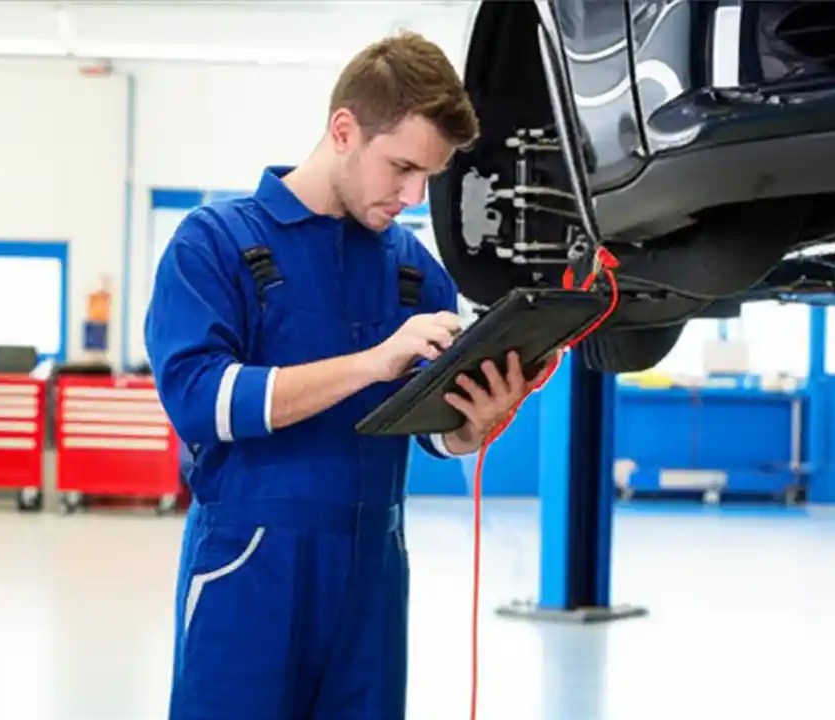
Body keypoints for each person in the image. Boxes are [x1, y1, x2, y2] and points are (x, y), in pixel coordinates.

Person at [145, 31, 549, 719]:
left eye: (429, 176)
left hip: (374, 572)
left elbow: (423, 426)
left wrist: (469, 429)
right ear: (343, 130)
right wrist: (370, 362)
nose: (414, 195)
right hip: (250, 561)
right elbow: (198, 401)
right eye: (401, 167)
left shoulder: (417, 273)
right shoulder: (213, 243)